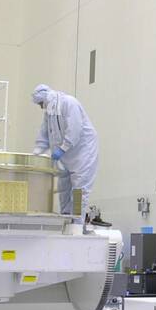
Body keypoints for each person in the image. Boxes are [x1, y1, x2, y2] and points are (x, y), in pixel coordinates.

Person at [31, 84, 99, 220]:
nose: (41, 107)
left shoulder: (69, 103)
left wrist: (63, 148)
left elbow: (75, 128)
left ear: (46, 98)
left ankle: (76, 224)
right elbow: (45, 132)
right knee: (63, 188)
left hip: (82, 153)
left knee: (79, 191)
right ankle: (65, 219)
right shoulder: (50, 113)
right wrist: (37, 151)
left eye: (41, 103)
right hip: (65, 155)